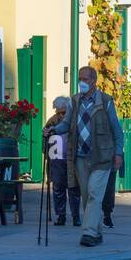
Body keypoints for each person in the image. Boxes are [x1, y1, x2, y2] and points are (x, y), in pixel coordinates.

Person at [52, 66, 124, 247]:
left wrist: (118, 153)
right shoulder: (74, 102)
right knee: (87, 196)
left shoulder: (106, 102)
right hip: (81, 157)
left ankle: (89, 233)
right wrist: (53, 130)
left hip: (102, 157)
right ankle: (97, 232)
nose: (81, 82)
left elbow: (117, 130)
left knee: (93, 192)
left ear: (94, 81)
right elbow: (66, 124)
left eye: (85, 79)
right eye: (80, 79)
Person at [43, 96, 80, 227]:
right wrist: (45, 137)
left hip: (72, 159)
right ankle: (60, 215)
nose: (61, 115)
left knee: (73, 188)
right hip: (56, 158)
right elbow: (45, 142)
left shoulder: (75, 121)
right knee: (58, 188)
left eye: (63, 112)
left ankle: (76, 216)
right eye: (58, 112)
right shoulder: (52, 121)